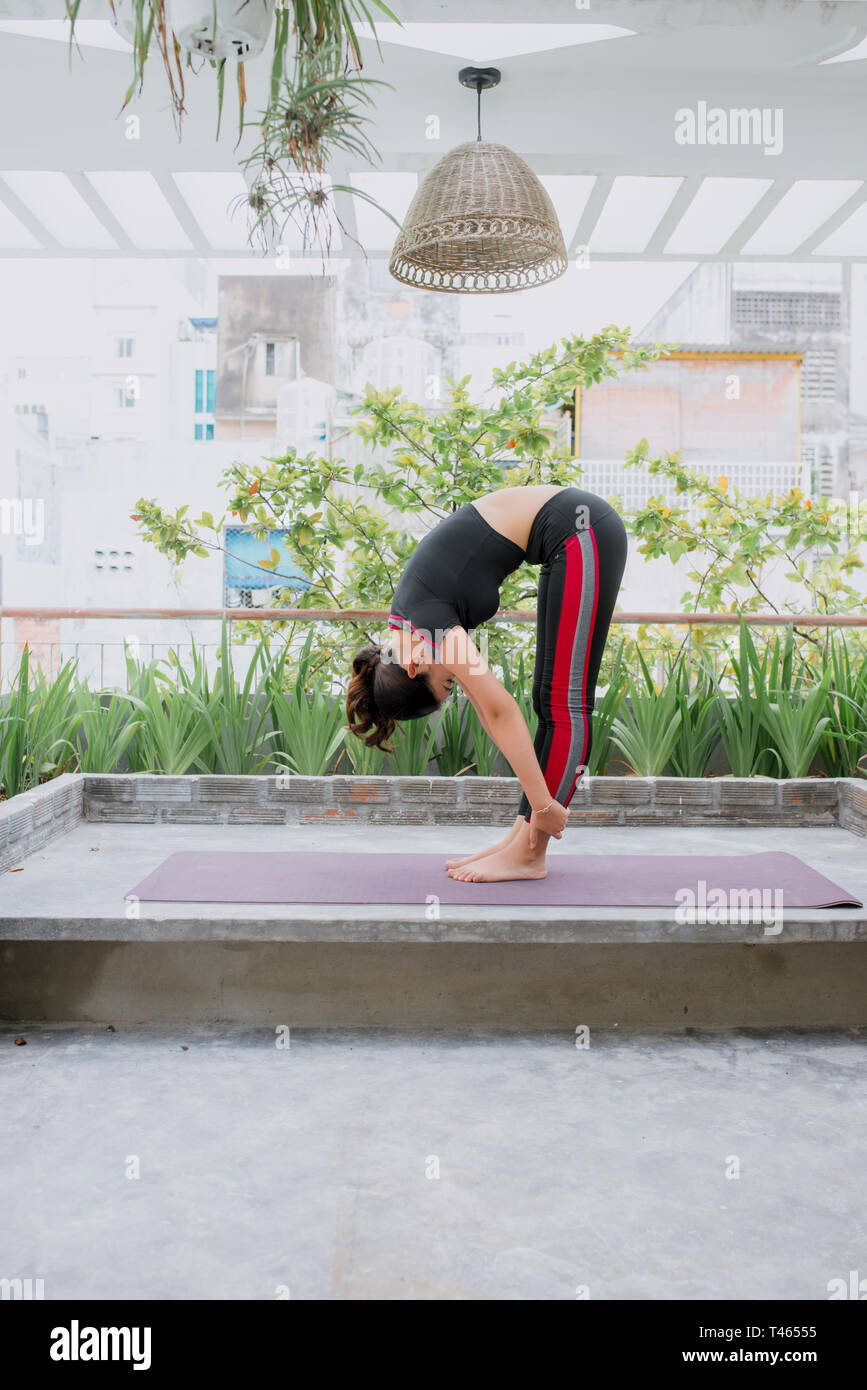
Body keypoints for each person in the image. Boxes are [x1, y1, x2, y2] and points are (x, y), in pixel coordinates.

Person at [345, 484, 628, 883]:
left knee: (565, 702)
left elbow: (499, 709)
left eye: (445, 687)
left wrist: (545, 804)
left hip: (584, 530)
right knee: (547, 700)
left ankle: (531, 854)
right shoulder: (408, 633)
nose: (453, 685)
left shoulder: (428, 623)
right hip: (565, 540)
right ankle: (520, 839)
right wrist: (535, 803)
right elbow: (488, 712)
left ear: (413, 668)